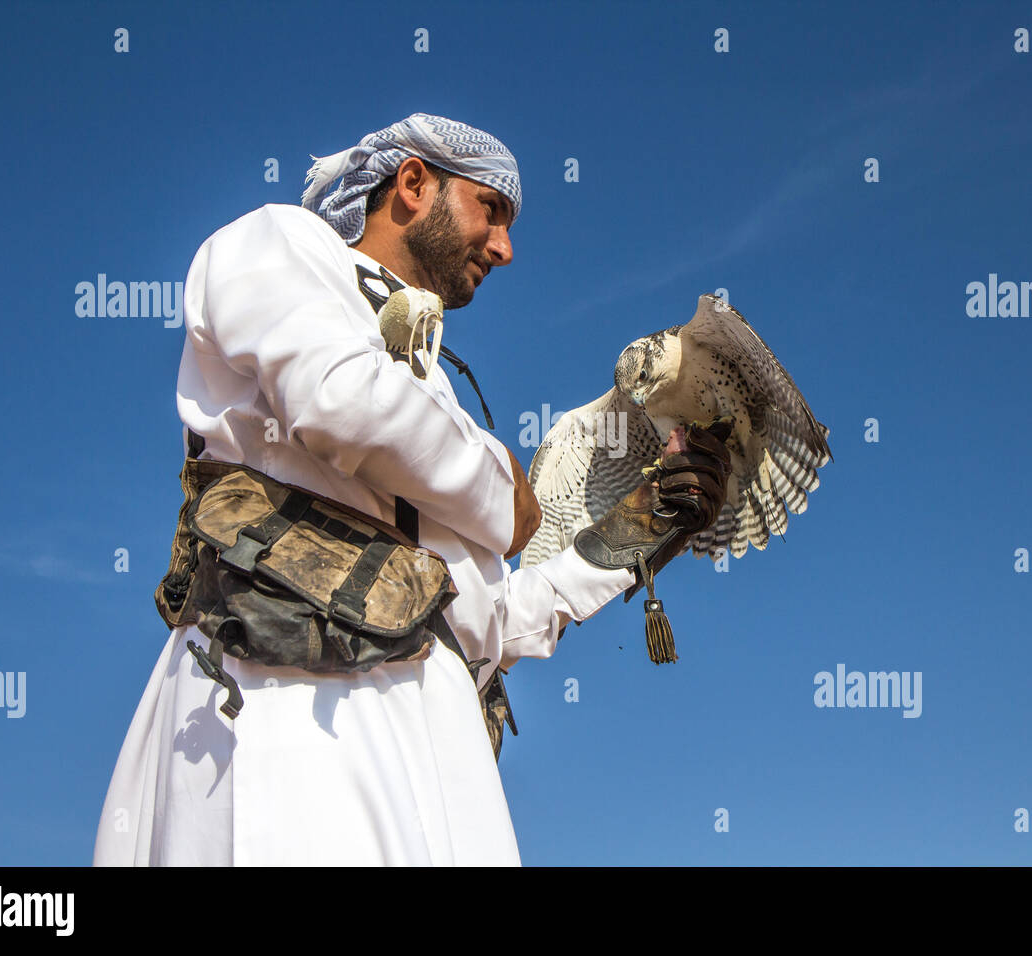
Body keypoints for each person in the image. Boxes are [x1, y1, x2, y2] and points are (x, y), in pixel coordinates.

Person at [92, 112, 729, 866]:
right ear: (414, 183)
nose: (505, 247)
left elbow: (483, 622)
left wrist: (638, 530)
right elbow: (341, 401)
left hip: (438, 745)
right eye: (491, 208)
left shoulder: (435, 391)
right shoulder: (283, 245)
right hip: (290, 711)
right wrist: (507, 490)